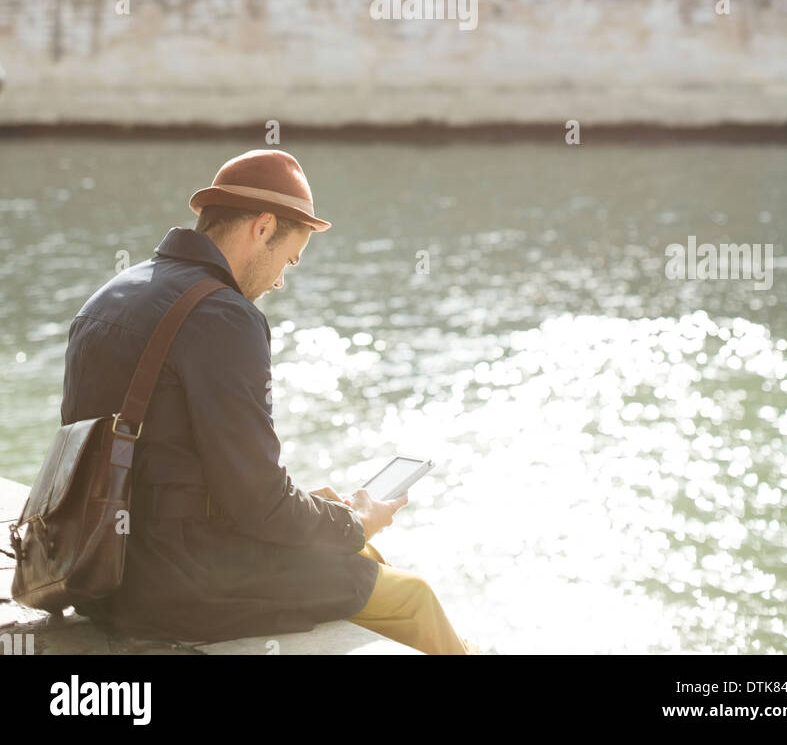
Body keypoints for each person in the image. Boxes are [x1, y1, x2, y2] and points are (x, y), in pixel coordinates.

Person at [61, 148, 477, 655]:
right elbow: (259, 504)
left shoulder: (108, 298)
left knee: (355, 548)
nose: (280, 279)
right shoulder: (224, 315)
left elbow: (165, 464)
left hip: (102, 570)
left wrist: (325, 517)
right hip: (181, 584)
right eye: (289, 258)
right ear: (262, 227)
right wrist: (353, 518)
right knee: (414, 597)